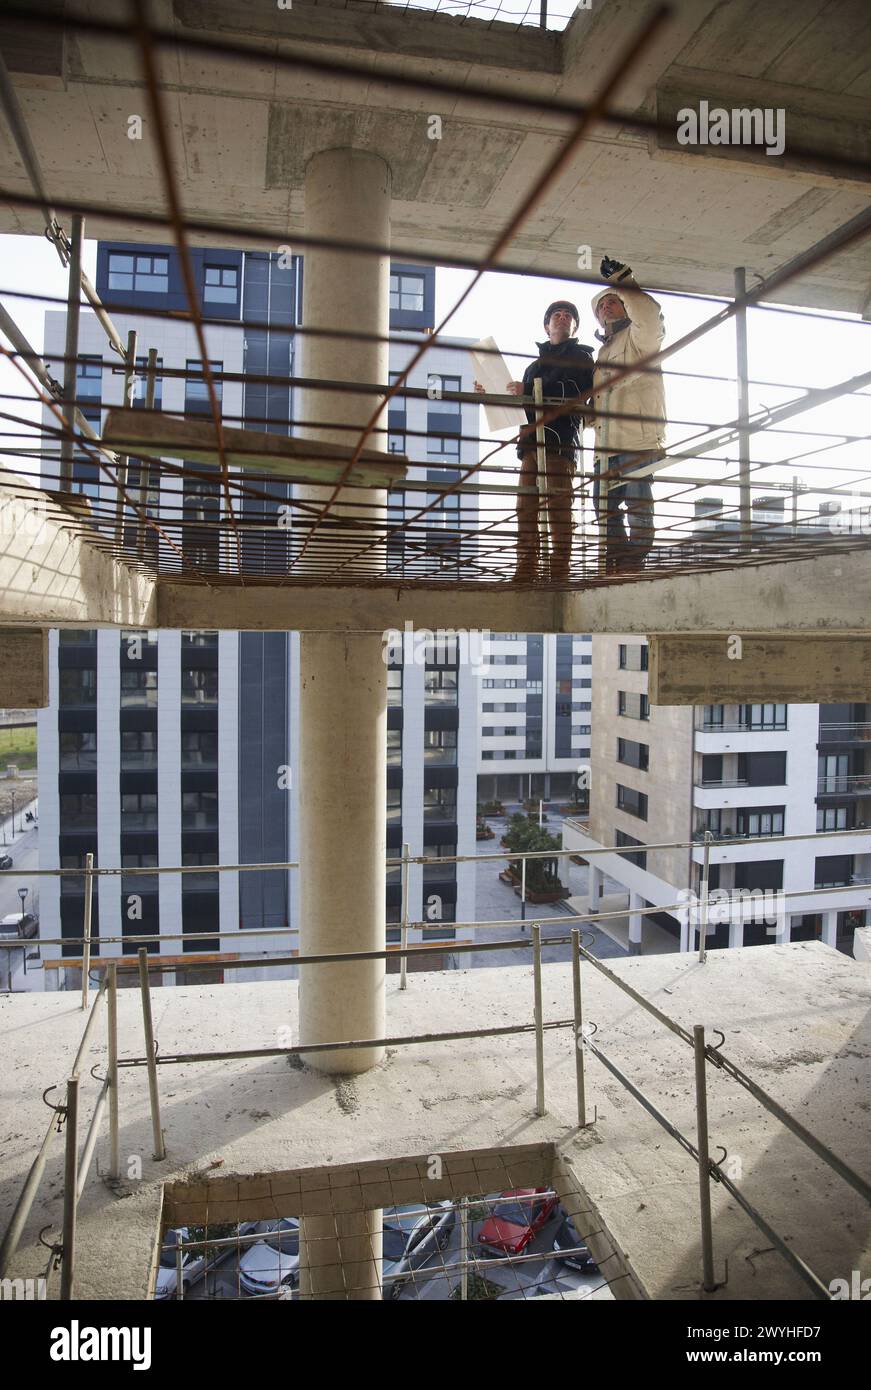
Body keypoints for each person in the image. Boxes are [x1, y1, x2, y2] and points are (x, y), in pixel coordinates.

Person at [475, 302, 594, 582]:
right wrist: (492, 393)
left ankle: (559, 572)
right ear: (546, 326)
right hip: (531, 445)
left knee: (558, 508)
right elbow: (524, 410)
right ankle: (526, 568)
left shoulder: (582, 358)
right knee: (525, 507)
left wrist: (528, 390)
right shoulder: (534, 367)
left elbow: (576, 393)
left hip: (559, 444)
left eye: (568, 316)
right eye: (557, 315)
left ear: (575, 327)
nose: (562, 318)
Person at [590, 257, 667, 573]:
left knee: (638, 505)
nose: (606, 307)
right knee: (603, 507)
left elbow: (648, 316)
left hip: (636, 441)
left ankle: (634, 564)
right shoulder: (602, 353)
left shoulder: (639, 337)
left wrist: (624, 281)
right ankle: (620, 562)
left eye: (613, 301)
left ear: (625, 305)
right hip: (604, 449)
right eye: (601, 306)